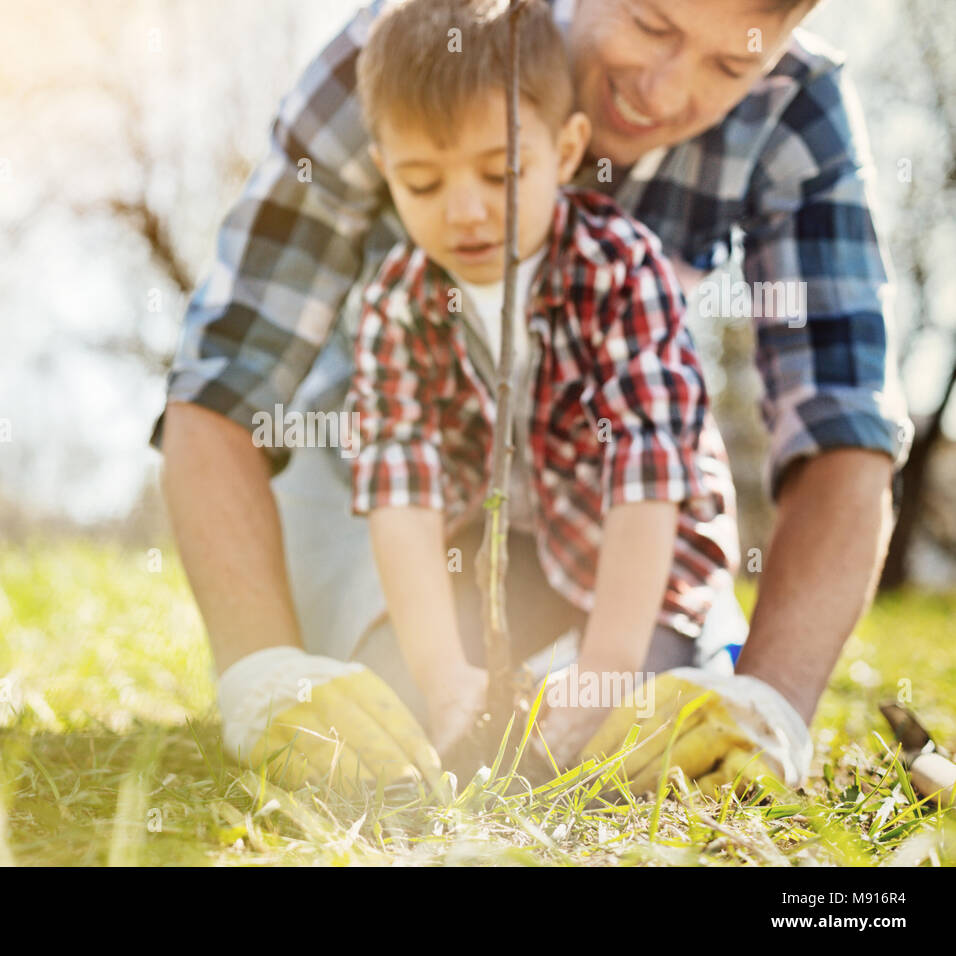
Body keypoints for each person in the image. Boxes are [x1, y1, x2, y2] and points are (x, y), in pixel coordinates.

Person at [154, 0, 912, 792]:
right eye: (651, 25)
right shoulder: (402, 49)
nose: (661, 90)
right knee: (399, 704)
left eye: (729, 66)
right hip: (383, 485)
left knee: (655, 710)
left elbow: (839, 428)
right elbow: (224, 384)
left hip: (622, 517)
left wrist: (770, 703)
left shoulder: (792, 114)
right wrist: (262, 672)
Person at [347, 0, 737, 769]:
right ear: (386, 170)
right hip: (506, 551)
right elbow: (403, 498)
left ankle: (714, 646)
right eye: (423, 183)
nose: (465, 212)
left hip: (641, 555)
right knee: (392, 696)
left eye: (501, 174)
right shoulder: (396, 304)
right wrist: (440, 676)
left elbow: (646, 478)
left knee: (630, 734)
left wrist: (604, 672)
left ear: (565, 154)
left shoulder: (621, 270)